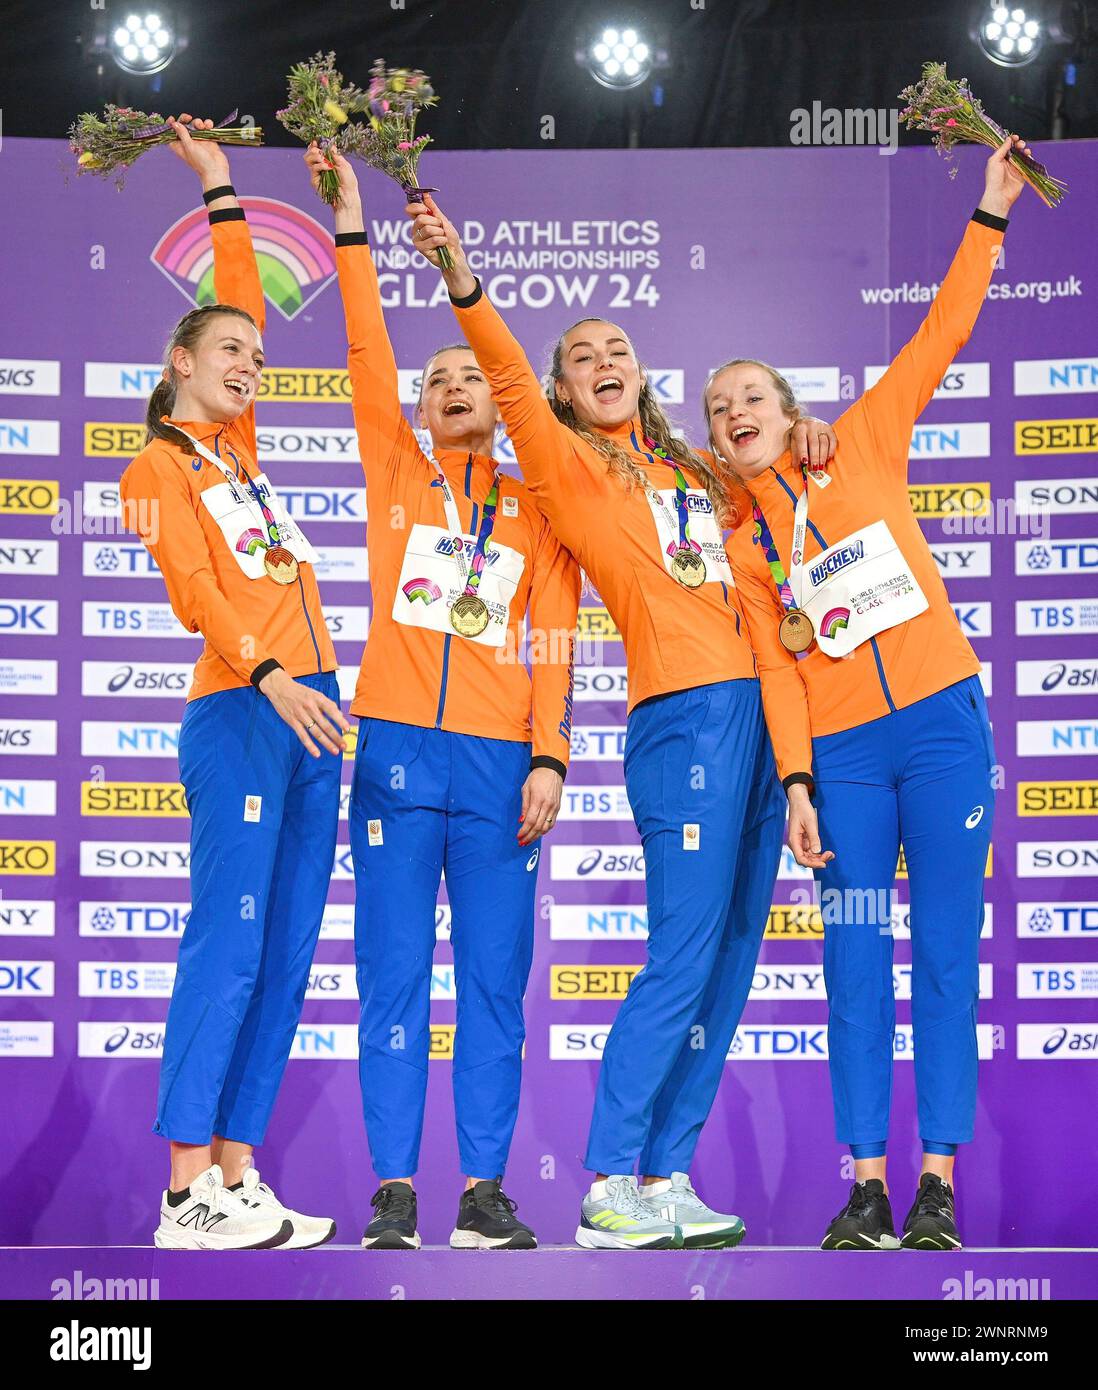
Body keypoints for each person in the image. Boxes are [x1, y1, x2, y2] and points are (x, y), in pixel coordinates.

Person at [406, 193, 837, 1249]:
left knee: (735, 953)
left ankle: (664, 1174)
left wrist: (805, 444)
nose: (606, 359)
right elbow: (503, 371)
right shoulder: (569, 465)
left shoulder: (691, 472)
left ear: (641, 375)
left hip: (758, 712)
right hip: (682, 721)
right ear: (562, 388)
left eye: (621, 348)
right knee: (684, 951)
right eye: (583, 354)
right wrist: (459, 267)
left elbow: (773, 509)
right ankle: (606, 1180)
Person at [713, 136, 1031, 1251]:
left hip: (943, 732)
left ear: (788, 406)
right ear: (715, 441)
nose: (733, 410)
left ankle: (936, 1181)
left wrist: (988, 211)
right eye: (716, 407)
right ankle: (863, 1185)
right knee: (856, 956)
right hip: (843, 760)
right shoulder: (743, 545)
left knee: (946, 953)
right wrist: (796, 781)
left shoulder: (862, 443)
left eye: (749, 393)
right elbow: (774, 668)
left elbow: (943, 329)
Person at [307, 145, 581, 1251]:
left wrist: (551, 751)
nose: (456, 387)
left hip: (499, 761)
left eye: (468, 377)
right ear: (416, 411)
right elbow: (365, 343)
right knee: (390, 978)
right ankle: (391, 1189)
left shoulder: (538, 499)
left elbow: (557, 636)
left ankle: (481, 1191)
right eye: (438, 383)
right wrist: (351, 226)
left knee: (496, 989)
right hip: (395, 755)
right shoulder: (397, 470)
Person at [121, 116, 349, 1250]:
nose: (248, 367)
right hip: (244, 713)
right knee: (229, 938)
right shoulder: (155, 466)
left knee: (288, 946)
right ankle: (182, 1190)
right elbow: (195, 590)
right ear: (178, 365)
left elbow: (239, 306)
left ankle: (240, 1171)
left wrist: (221, 188)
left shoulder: (238, 453)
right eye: (228, 356)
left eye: (255, 362)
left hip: (315, 716)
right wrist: (267, 674)